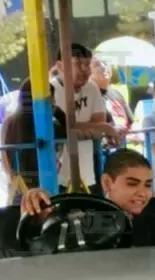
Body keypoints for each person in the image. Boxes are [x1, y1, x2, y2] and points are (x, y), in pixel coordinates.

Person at [18, 148, 155, 248]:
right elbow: (37, 245)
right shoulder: (74, 216)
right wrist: (37, 212)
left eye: (147, 185)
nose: (142, 193)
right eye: (132, 184)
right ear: (107, 182)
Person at [50, 42, 120, 190]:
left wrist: (99, 127)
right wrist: (103, 127)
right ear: (61, 66)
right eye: (78, 64)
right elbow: (61, 128)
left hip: (89, 169)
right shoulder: (51, 90)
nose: (84, 70)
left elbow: (98, 125)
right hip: (57, 172)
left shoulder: (91, 87)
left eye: (87, 65)